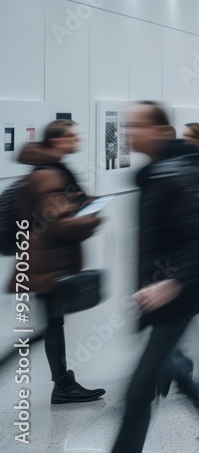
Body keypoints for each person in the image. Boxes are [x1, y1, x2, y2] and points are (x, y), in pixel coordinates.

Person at [111, 102, 199, 453]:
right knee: (173, 365)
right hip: (162, 295)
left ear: (160, 130)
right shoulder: (155, 173)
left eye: (135, 126)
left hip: (177, 298)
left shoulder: (172, 175)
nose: (128, 133)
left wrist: (171, 282)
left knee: (138, 393)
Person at [9, 120, 105, 405]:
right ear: (56, 141)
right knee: (50, 325)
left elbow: (64, 203)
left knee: (52, 323)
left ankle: (63, 383)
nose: (76, 140)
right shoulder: (48, 176)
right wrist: (94, 218)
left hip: (44, 259)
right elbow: (59, 224)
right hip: (45, 262)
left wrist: (86, 203)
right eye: (71, 137)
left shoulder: (54, 171)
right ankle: (62, 385)